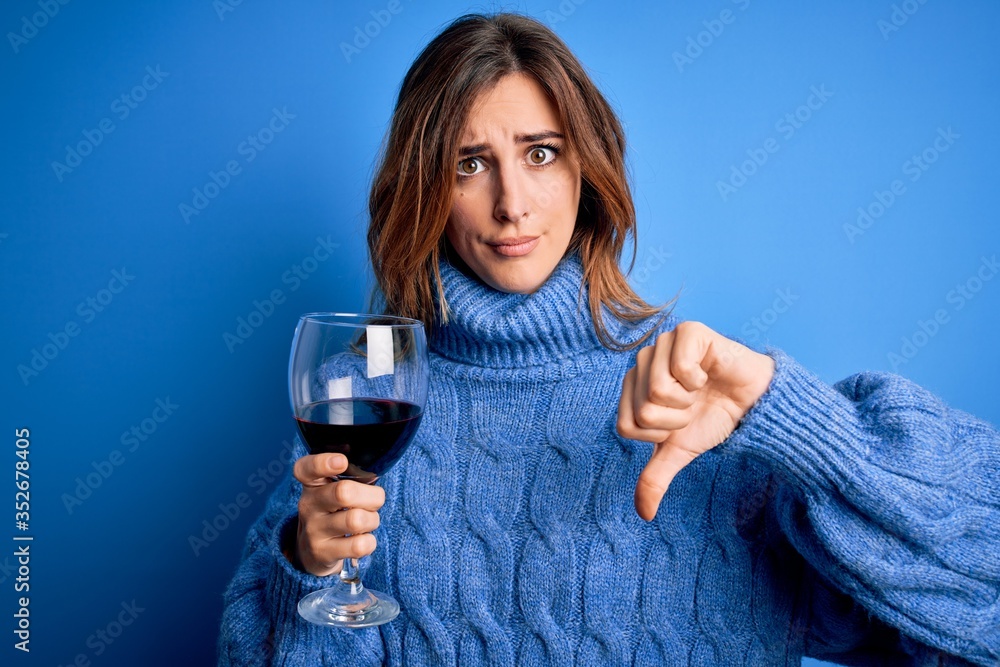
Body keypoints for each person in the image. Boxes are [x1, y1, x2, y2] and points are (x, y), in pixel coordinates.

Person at [218, 12, 999, 667]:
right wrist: (309, 566)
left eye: (541, 153)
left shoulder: (703, 397)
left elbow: (982, 590)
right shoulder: (374, 396)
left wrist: (790, 413)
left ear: (587, 170)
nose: (512, 202)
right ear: (427, 189)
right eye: (470, 164)